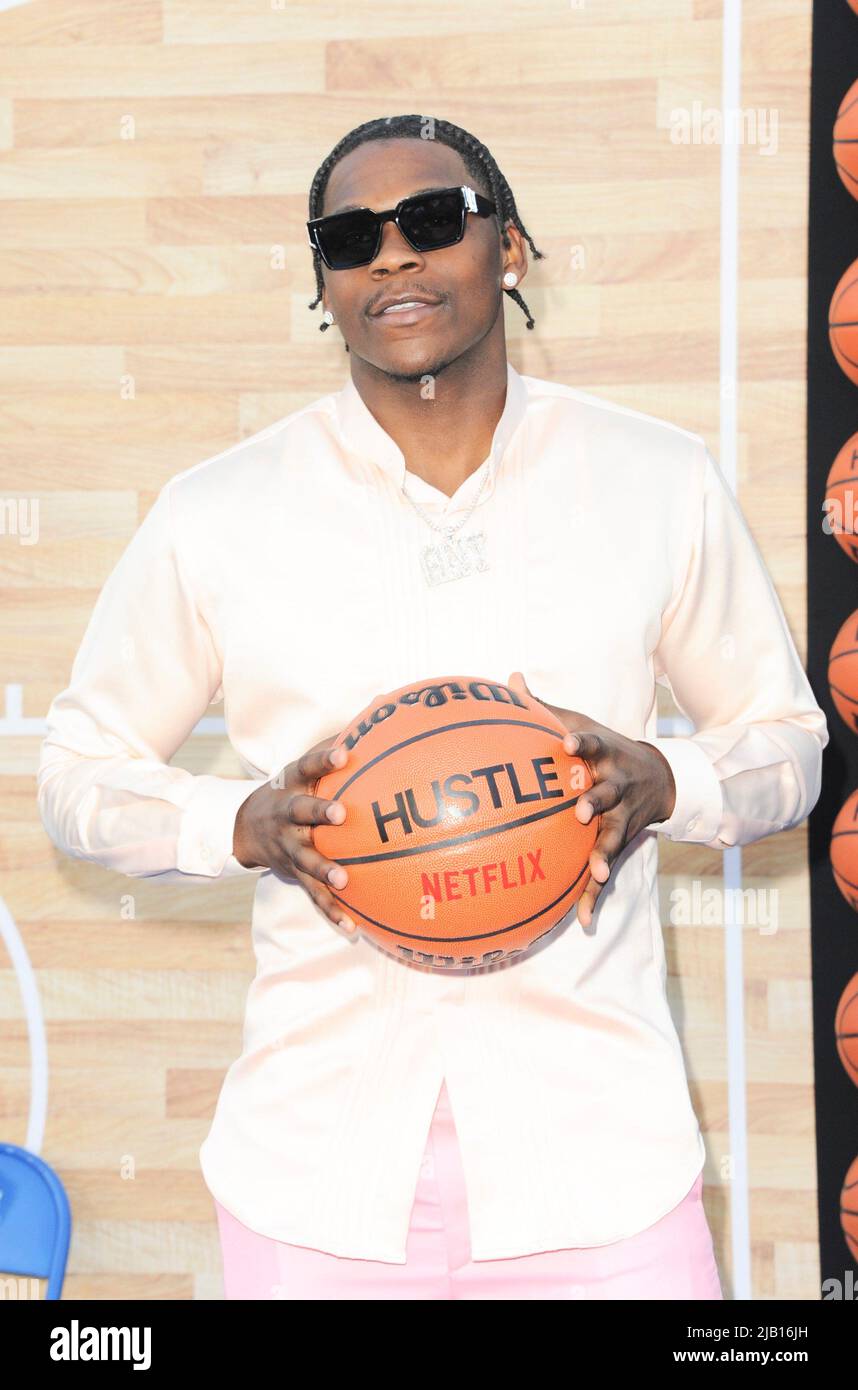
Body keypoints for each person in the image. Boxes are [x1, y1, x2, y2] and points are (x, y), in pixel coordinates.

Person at [37, 114, 827, 1301]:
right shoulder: (220, 511)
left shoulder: (655, 479)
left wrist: (672, 782)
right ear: (324, 286)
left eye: (433, 220)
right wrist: (236, 825)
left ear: (508, 249)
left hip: (600, 1173)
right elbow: (77, 775)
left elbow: (790, 745)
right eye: (352, 237)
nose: (393, 257)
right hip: (314, 1180)